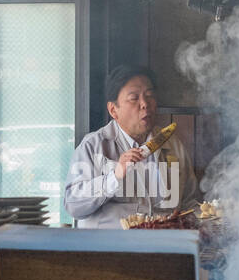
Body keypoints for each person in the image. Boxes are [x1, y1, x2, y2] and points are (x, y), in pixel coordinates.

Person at [63, 65, 200, 228]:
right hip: (111, 249)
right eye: (134, 98)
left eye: (149, 96)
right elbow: (73, 205)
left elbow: (189, 202)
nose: (145, 104)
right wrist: (114, 176)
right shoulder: (94, 146)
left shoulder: (173, 145)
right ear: (114, 110)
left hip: (163, 247)